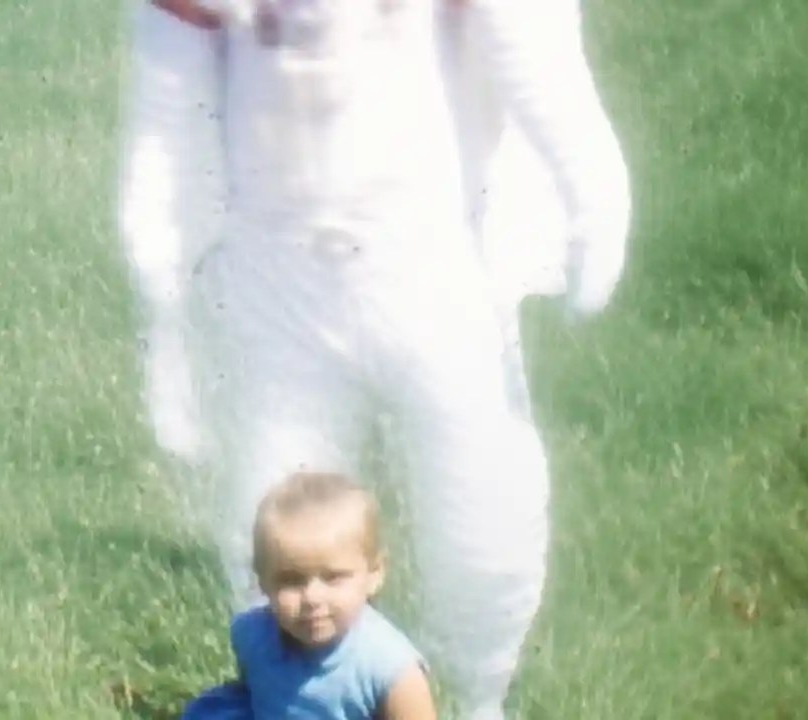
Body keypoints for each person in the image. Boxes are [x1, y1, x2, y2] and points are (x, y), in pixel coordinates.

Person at [118, 1, 631, 717]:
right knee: (270, 519)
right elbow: (167, 118)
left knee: (483, 512)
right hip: (278, 273)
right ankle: (295, 697)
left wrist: (594, 191)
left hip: (427, 258)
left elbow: (531, 51)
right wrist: (165, 322)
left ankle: (478, 696)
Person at [182, 472, 436, 719]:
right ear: (262, 581)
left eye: (333, 577)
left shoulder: (390, 670)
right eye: (291, 580)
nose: (312, 598)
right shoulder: (253, 634)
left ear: (374, 574)